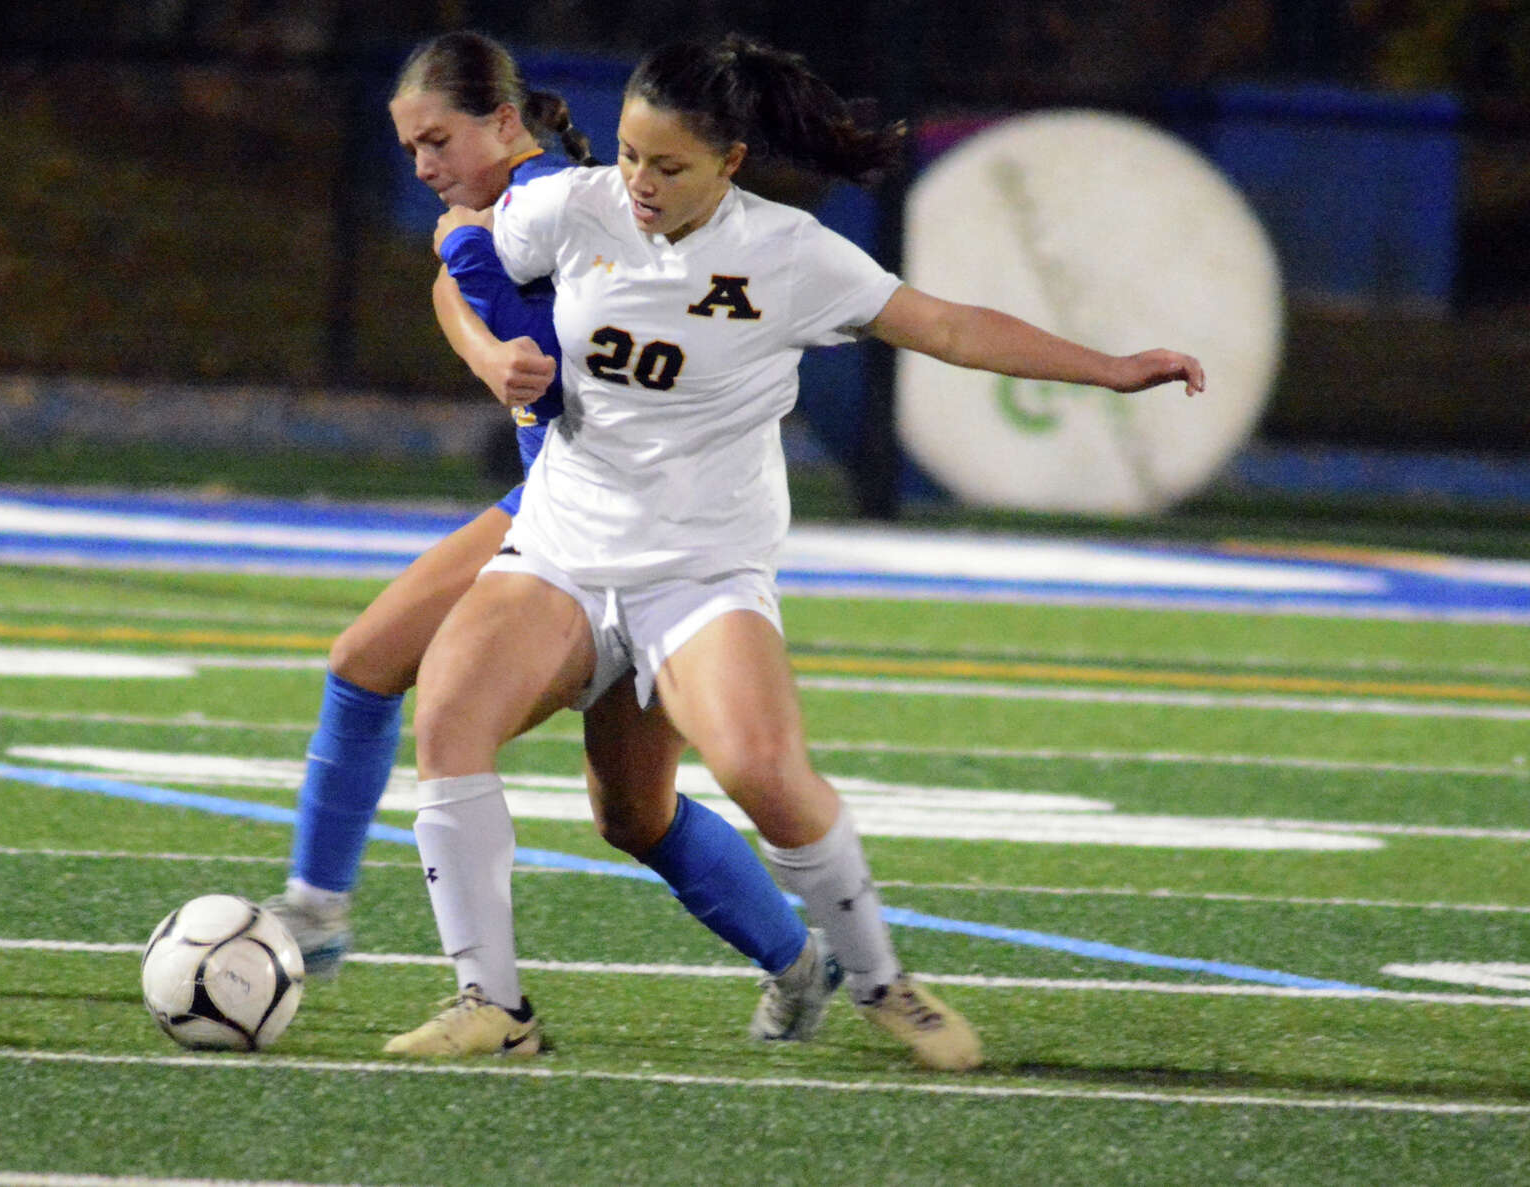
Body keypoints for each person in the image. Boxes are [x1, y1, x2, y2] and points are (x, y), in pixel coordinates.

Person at [387, 33, 1205, 1070]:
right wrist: (486, 352)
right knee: (450, 716)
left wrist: (1112, 369)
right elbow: (459, 260)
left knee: (762, 769)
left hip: (699, 568)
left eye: (669, 165)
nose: (639, 182)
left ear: (730, 162)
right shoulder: (571, 204)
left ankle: (881, 980)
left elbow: (946, 328)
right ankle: (494, 1004)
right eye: (632, 155)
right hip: (562, 546)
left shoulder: (790, 255)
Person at [267, 31, 842, 1052]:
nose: (423, 166)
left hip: (641, 537)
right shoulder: (488, 216)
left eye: (435, 139)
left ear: (503, 122)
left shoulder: (582, 208)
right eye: (407, 149)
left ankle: (800, 961)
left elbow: (552, 295)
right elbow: (457, 274)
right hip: (564, 519)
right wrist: (492, 357)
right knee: (605, 796)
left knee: (627, 809)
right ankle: (325, 917)